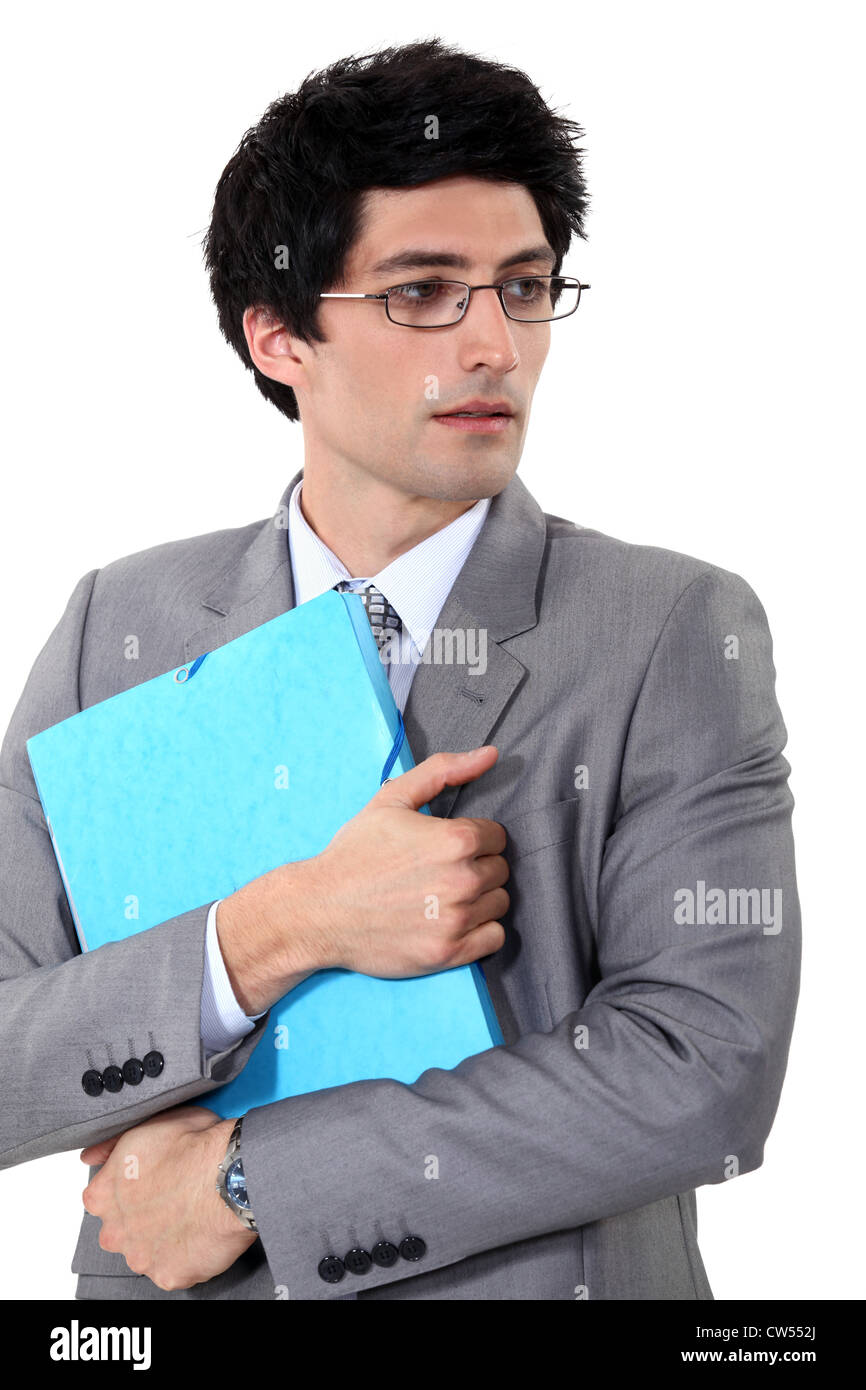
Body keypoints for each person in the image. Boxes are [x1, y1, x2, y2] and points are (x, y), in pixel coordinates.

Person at [0, 37, 800, 1301]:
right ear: (277, 336)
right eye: (422, 293)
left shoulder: (665, 628)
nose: (492, 344)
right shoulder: (122, 621)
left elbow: (702, 1064)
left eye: (523, 287)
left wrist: (251, 1177)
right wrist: (274, 931)